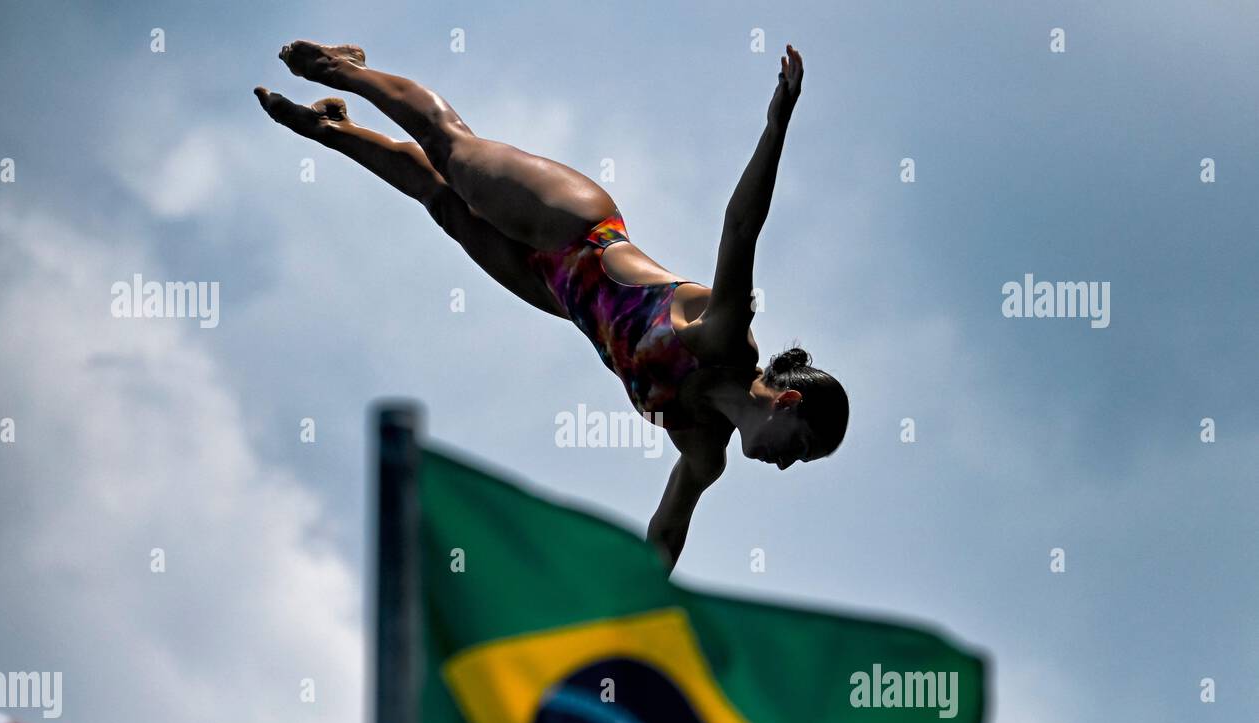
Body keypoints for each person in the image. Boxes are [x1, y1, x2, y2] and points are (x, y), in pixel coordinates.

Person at [255, 41, 847, 569]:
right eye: (799, 446)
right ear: (789, 400)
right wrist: (777, 125)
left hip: (555, 292)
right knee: (453, 153)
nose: (786, 464)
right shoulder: (725, 342)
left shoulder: (702, 448)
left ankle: (332, 130)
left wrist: (627, 620)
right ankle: (345, 70)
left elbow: (665, 537)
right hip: (577, 227)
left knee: (442, 205)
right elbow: (741, 226)